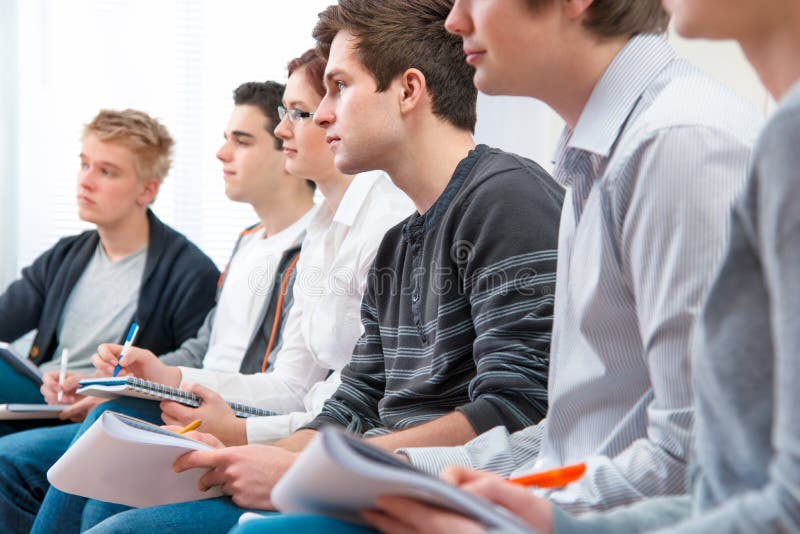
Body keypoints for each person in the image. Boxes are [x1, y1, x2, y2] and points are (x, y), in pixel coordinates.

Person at [257, 0, 768, 532]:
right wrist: (410, 471)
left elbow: (692, 459)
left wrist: (503, 512)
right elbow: (564, 438)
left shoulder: (676, 144)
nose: (455, 21)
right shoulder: (594, 159)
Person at [78, 0, 564, 531]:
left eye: (339, 87)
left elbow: (519, 408)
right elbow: (352, 403)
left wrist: (300, 466)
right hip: (368, 474)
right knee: (118, 501)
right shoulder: (400, 243)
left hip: (429, 494)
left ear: (408, 91)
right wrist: (253, 458)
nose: (322, 113)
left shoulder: (505, 198)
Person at [19, 52, 414, 534]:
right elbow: (278, 375)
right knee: (106, 430)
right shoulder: (286, 238)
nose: (284, 131)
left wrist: (232, 424)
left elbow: (324, 393)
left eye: (295, 115)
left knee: (116, 428)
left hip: (285, 428)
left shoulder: (373, 226)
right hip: (268, 420)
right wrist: (165, 374)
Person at [0, 109, 219, 437]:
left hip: (106, 413)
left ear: (147, 190)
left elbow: (191, 370)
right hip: (43, 399)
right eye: (85, 164)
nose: (85, 181)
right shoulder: (65, 255)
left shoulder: (190, 272)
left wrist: (105, 388)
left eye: (107, 171)